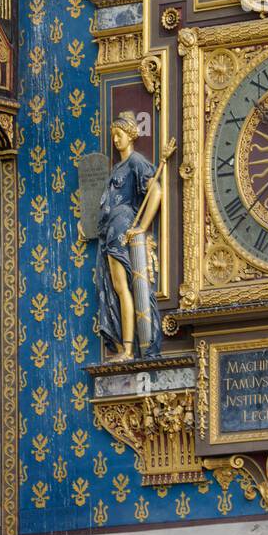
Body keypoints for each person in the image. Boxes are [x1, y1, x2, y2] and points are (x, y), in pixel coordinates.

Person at [94, 113, 175, 361]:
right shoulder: (118, 167)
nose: (116, 139)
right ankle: (124, 347)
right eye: (114, 135)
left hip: (121, 230)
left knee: (123, 289)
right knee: (117, 288)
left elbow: (157, 191)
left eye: (120, 134)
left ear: (130, 135)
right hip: (110, 233)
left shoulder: (136, 161)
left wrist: (141, 227)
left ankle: (128, 349)